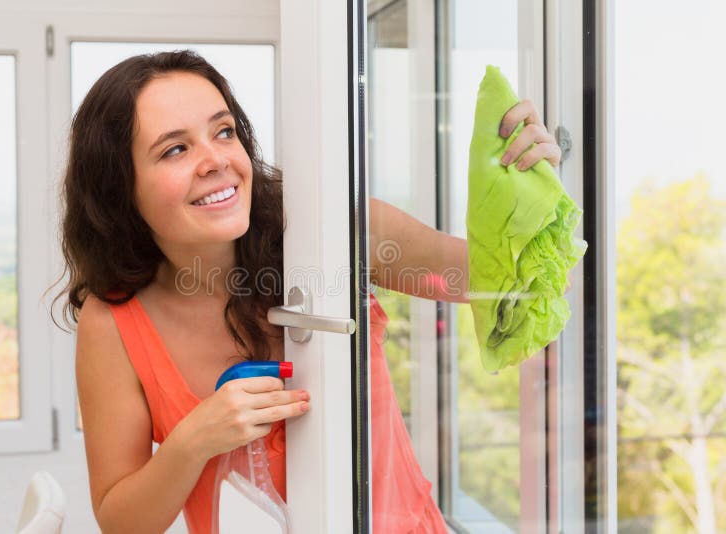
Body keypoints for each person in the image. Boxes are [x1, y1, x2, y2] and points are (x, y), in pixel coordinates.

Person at [56, 50, 561, 533]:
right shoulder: (114, 324)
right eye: (175, 149)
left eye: (224, 132)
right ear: (119, 186)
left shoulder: (339, 232)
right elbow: (120, 521)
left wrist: (529, 188)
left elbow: (507, 286)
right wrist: (192, 442)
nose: (216, 160)